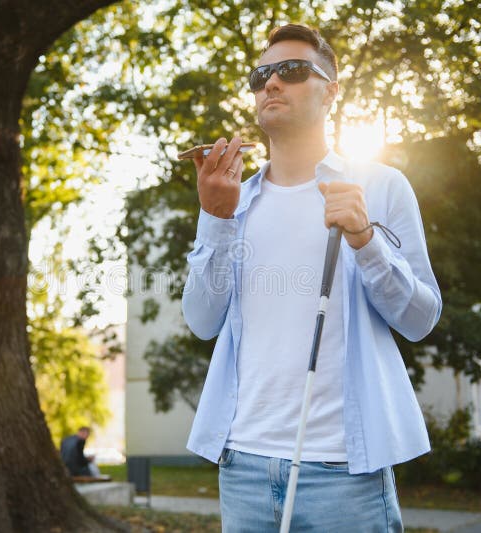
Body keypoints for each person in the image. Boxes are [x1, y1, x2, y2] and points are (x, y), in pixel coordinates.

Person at [181, 23, 442, 532]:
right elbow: (201, 320)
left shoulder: (378, 186)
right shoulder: (232, 201)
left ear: (332, 93)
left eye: (293, 70)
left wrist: (366, 240)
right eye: (261, 75)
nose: (271, 83)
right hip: (243, 466)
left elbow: (420, 319)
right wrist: (214, 218)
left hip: (344, 471)